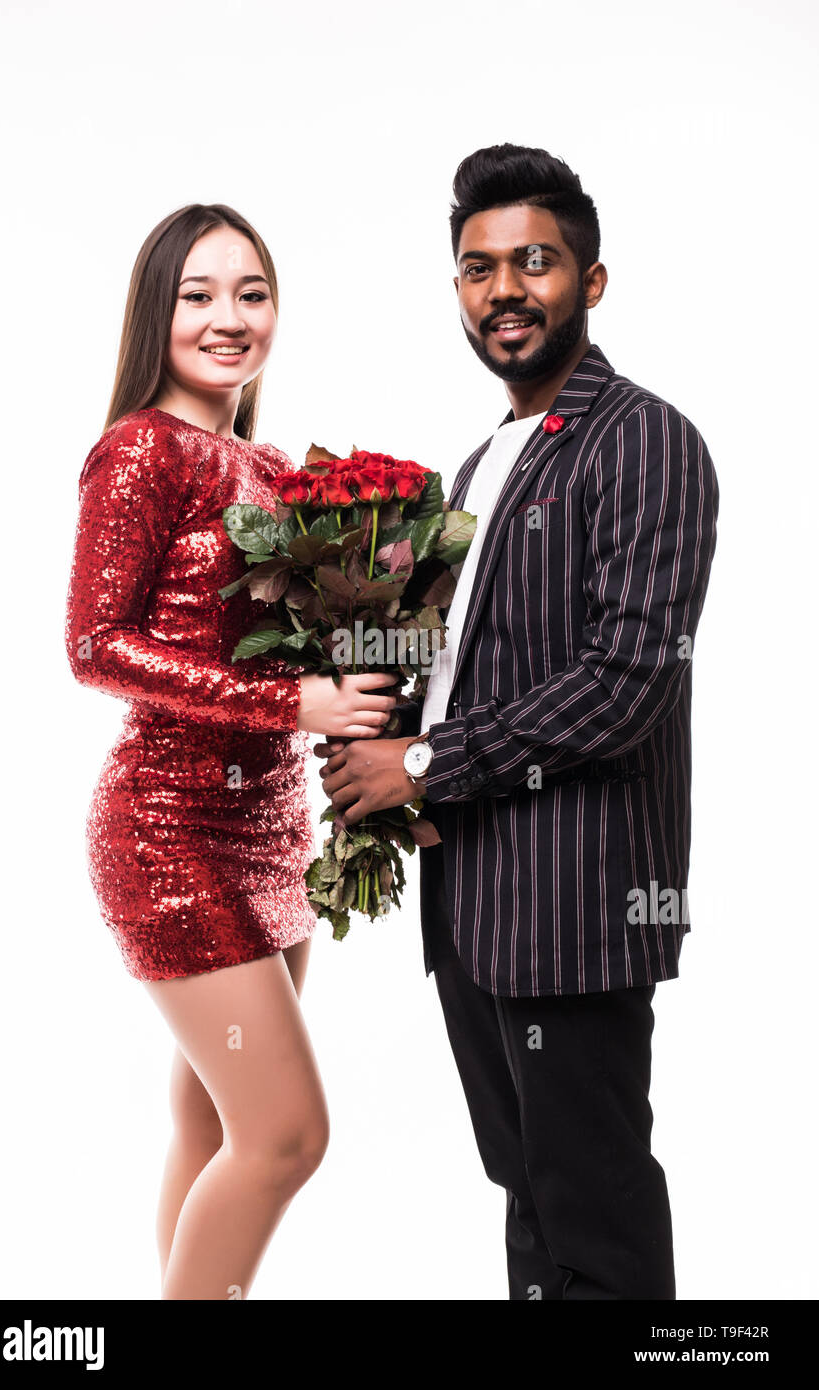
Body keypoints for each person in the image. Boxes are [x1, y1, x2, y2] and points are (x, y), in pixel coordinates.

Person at [317, 144, 719, 1299]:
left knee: (590, 1213)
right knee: (531, 1204)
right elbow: (457, 663)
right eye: (476, 268)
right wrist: (360, 701)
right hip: (477, 910)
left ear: (589, 282)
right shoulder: (479, 463)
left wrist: (427, 762)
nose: (502, 289)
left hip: (575, 907)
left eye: (532, 261)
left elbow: (630, 676)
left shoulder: (642, 439)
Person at [64, 203, 396, 1300]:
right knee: (287, 1134)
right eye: (198, 294)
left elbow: (286, 640)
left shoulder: (259, 462)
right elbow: (93, 644)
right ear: (155, 311)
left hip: (271, 833)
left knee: (214, 1122)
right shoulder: (142, 449)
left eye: (251, 293)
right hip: (170, 829)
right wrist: (292, 699)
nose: (228, 317)